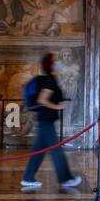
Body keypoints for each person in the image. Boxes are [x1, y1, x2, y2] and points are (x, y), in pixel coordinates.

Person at [20, 53, 81, 191]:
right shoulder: (49, 80)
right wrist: (57, 106)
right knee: (56, 151)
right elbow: (42, 99)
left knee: (38, 151)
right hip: (46, 120)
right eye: (55, 62)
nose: (58, 63)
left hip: (44, 119)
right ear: (50, 65)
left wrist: (60, 102)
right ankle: (66, 179)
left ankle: (28, 177)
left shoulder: (51, 79)